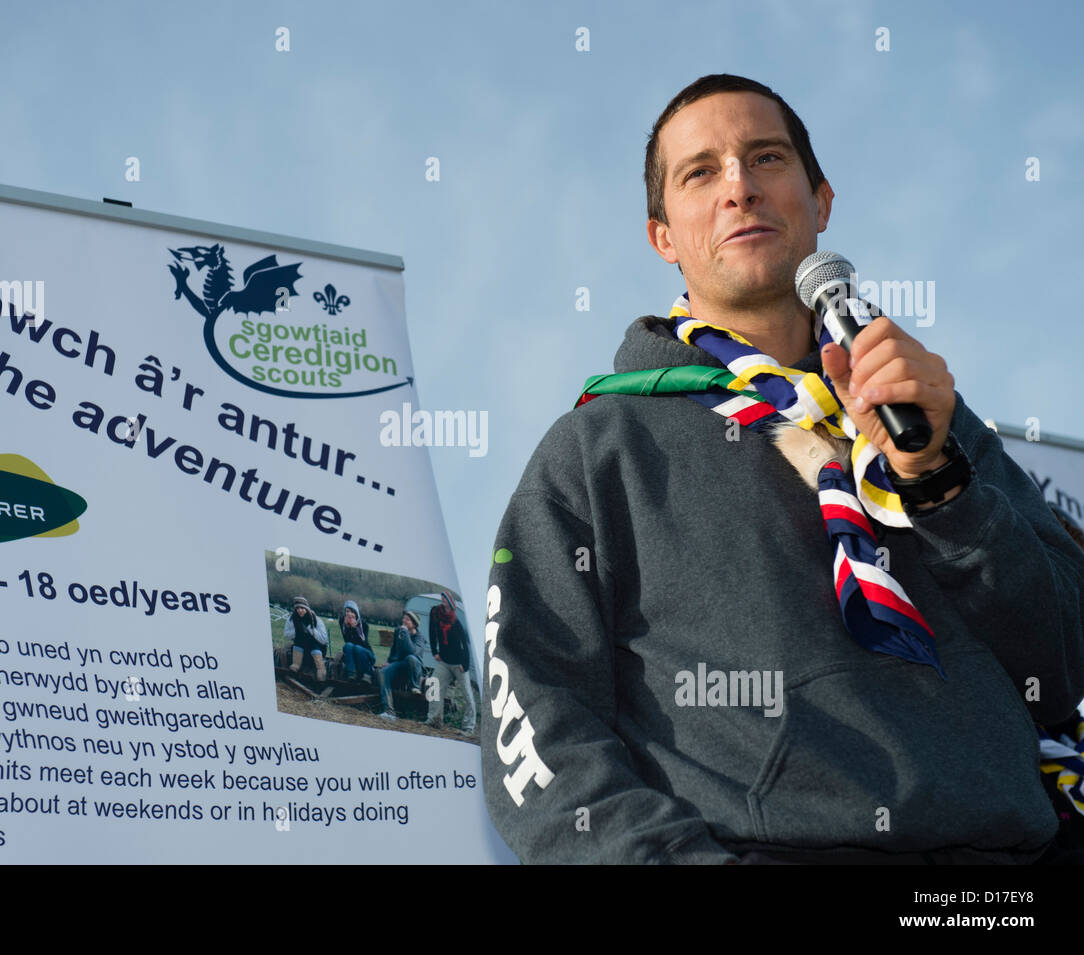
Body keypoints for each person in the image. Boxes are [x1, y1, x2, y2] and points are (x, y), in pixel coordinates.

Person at [480, 73, 1084, 864]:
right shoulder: (601, 448)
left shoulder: (930, 415)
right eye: (701, 172)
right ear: (663, 236)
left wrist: (939, 481)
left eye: (765, 158)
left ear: (821, 199)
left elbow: (1062, 659)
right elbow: (533, 714)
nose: (739, 187)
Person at [426, 591, 477, 736]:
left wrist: (465, 664)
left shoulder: (456, 623)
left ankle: (468, 727)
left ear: (451, 604)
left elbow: (464, 645)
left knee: (467, 694)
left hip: (459, 664)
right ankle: (434, 719)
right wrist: (434, 651)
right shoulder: (436, 613)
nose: (443, 601)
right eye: (442, 598)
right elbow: (432, 631)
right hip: (444, 661)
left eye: (446, 599)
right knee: (433, 685)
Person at [377, 611, 426, 721]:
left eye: (407, 619)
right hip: (399, 664)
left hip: (413, 667)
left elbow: (411, 652)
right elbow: (394, 649)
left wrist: (405, 633)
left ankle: (415, 686)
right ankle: (389, 711)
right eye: (403, 618)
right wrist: (389, 661)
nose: (404, 621)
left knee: (410, 658)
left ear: (414, 624)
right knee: (383, 672)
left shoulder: (419, 638)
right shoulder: (399, 632)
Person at [283, 596, 328, 681]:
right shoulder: (292, 619)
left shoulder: (316, 619)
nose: (300, 610)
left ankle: (321, 670)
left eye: (302, 608)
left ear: (307, 608)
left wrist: (310, 629)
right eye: (298, 608)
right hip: (301, 645)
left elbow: (324, 639)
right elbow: (286, 634)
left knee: (315, 647)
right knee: (298, 642)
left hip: (316, 645)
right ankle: (295, 665)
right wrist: (297, 631)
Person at [338, 599, 375, 681]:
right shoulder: (342, 622)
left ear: (356, 613)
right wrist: (348, 628)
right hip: (353, 651)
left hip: (366, 653)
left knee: (357, 648)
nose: (349, 614)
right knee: (348, 646)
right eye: (347, 611)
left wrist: (354, 629)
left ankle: (367, 674)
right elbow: (347, 641)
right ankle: (351, 673)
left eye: (352, 612)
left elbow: (363, 643)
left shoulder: (364, 625)